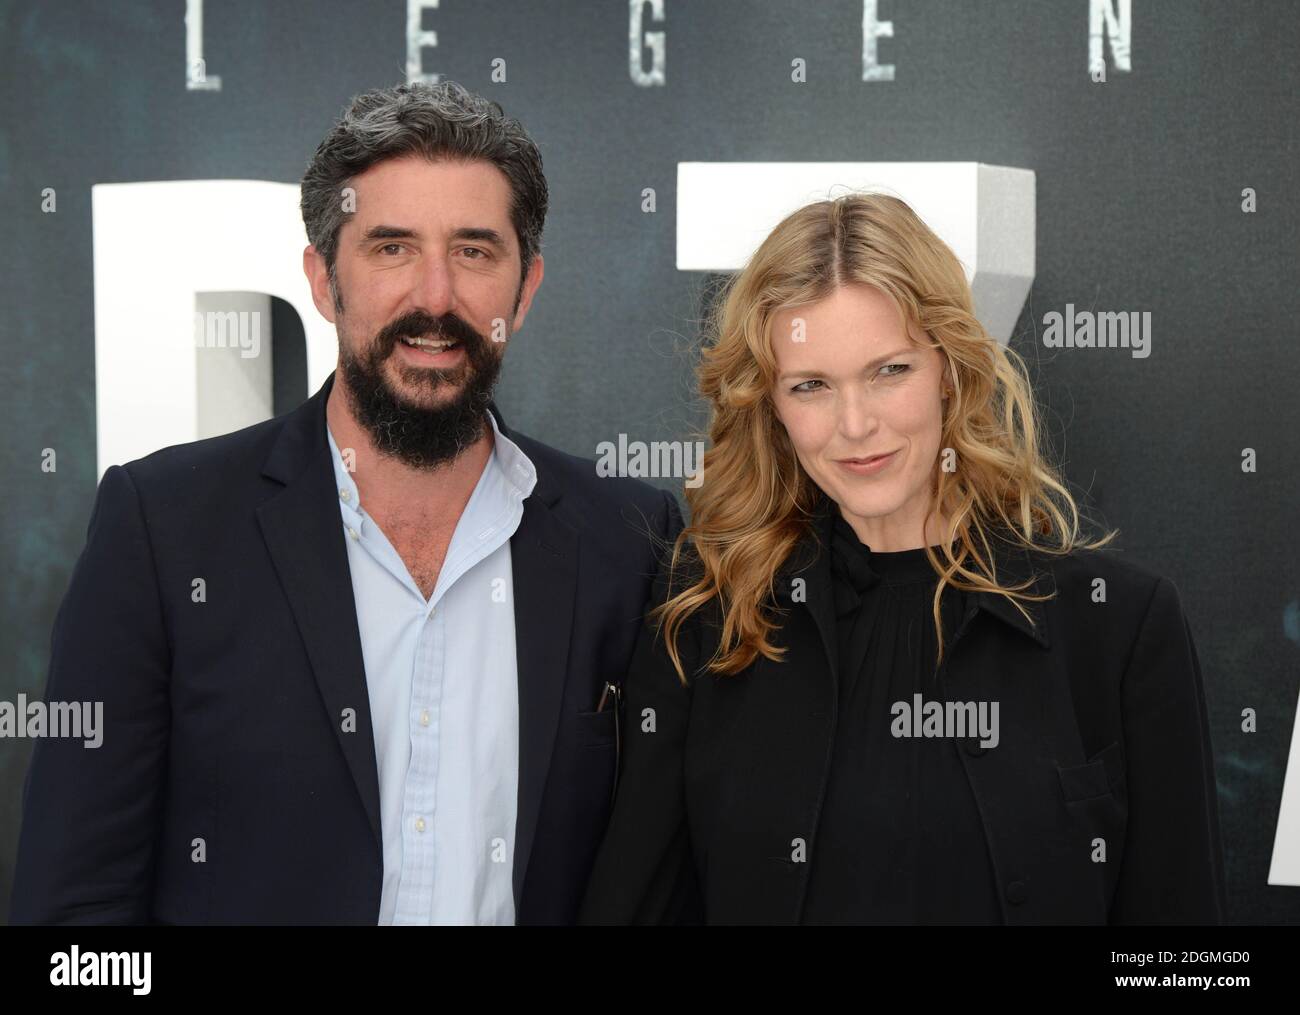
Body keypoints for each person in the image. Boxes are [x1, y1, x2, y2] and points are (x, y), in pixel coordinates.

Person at [10, 81, 680, 925]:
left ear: (527, 287)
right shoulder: (164, 528)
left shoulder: (628, 540)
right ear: (324, 280)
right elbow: (73, 917)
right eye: (391, 248)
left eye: (474, 251)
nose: (435, 297)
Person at [579, 193, 1227, 925]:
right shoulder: (708, 617)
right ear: (773, 405)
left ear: (948, 367)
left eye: (890, 370)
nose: (856, 425)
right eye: (811, 386)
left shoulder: (1117, 627)